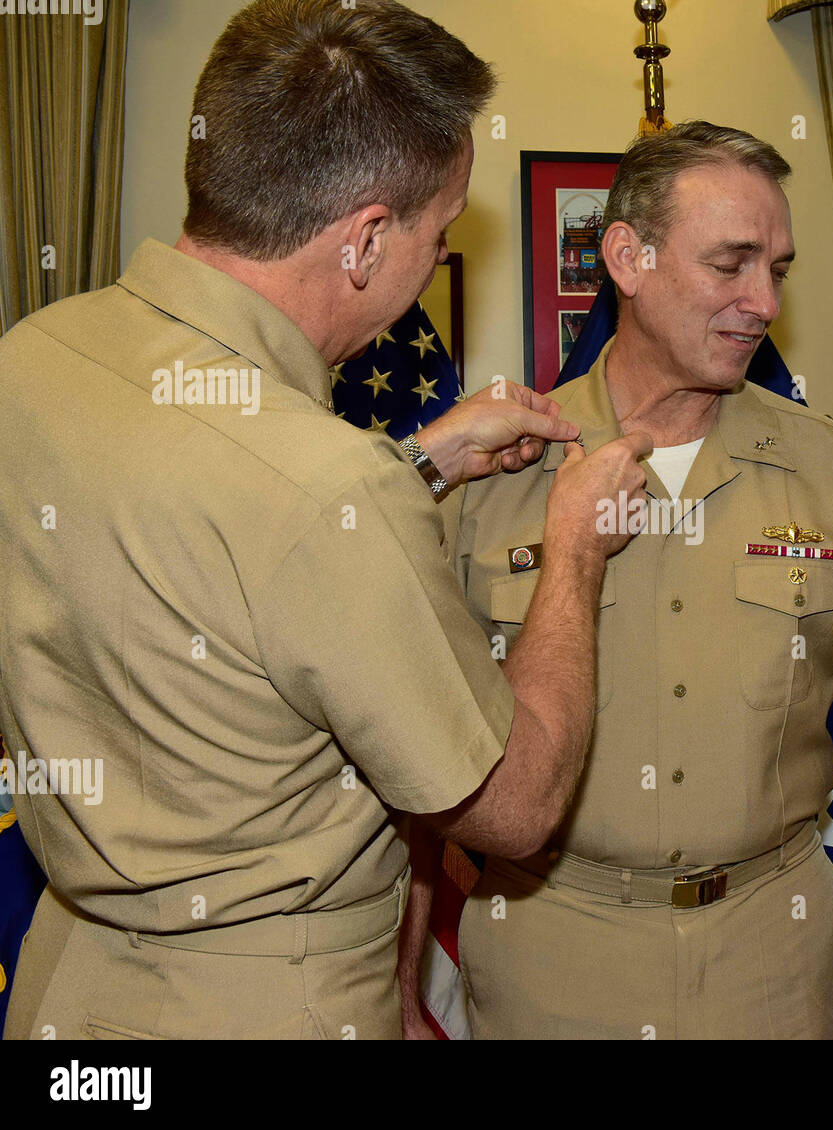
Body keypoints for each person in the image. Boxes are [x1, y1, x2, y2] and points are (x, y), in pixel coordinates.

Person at [0, 0, 649, 1041]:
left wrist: (419, 459)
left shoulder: (35, 356)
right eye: (438, 235)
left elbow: (202, 529)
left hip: (71, 983)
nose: (438, 259)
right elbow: (512, 801)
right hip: (261, 1003)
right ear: (362, 244)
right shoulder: (322, 486)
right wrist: (572, 545)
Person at [400, 121, 833, 1040]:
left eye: (777, 269)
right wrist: (401, 992)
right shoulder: (492, 474)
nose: (762, 301)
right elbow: (418, 762)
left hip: (774, 963)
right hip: (551, 959)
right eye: (731, 264)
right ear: (627, 256)